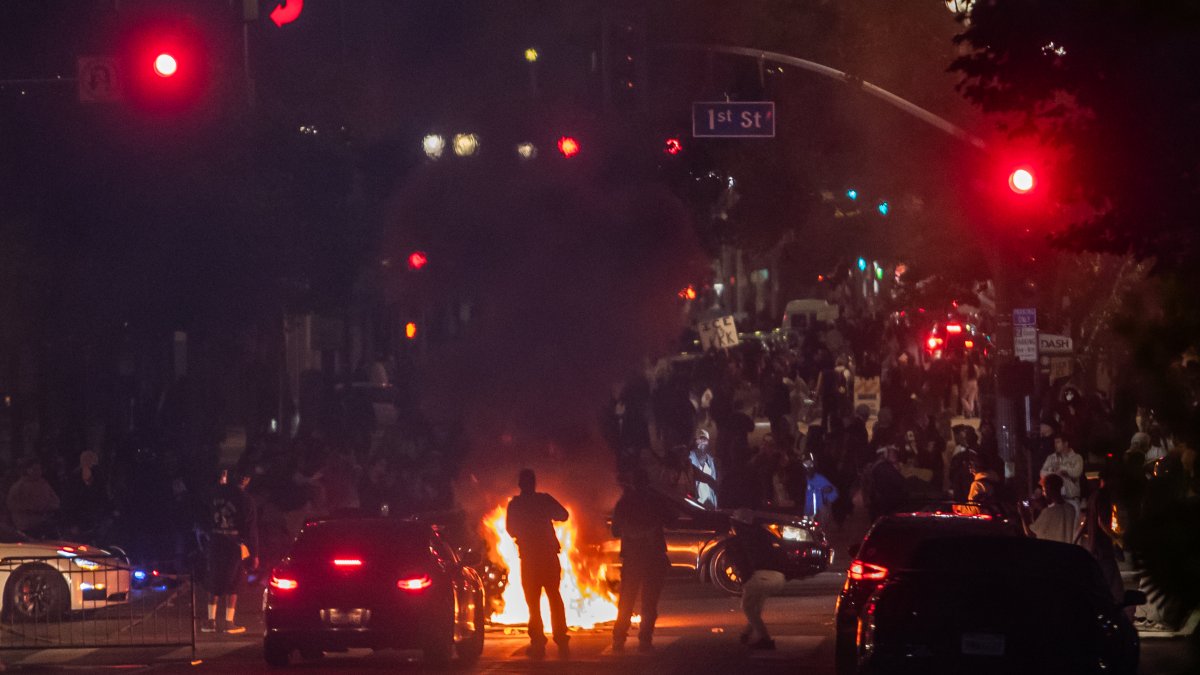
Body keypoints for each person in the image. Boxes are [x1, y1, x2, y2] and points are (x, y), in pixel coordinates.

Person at [505, 469, 570, 659]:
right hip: (547, 557)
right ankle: (561, 639)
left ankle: (538, 642)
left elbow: (511, 530)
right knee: (554, 597)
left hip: (530, 559)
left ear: (520, 485)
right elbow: (563, 515)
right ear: (533, 483)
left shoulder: (515, 505)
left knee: (533, 602)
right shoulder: (543, 500)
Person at [610, 470, 674, 654]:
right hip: (654, 557)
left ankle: (619, 639)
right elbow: (672, 520)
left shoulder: (624, 502)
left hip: (633, 558)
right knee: (649, 602)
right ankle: (645, 641)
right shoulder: (655, 500)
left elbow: (615, 530)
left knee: (627, 600)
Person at [201, 469, 258, 634]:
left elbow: (203, 512)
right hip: (234, 544)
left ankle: (210, 621)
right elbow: (251, 529)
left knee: (214, 579)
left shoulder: (216, 494)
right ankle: (228, 622)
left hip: (215, 541)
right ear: (246, 480)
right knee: (235, 582)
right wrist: (254, 553)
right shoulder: (245, 499)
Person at [725, 508, 786, 650]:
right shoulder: (763, 533)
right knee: (756, 606)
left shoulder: (739, 539)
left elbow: (743, 563)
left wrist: (744, 581)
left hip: (760, 576)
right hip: (779, 577)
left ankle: (766, 640)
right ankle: (747, 633)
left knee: (747, 607)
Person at [6, 460, 61, 538]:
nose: (38, 472)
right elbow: (12, 504)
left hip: (44, 520)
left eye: (39, 469)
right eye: (34, 469)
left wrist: (47, 507)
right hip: (27, 524)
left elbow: (55, 500)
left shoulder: (44, 484)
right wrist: (30, 509)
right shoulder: (19, 486)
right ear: (27, 470)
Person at [1021, 474, 1077, 544]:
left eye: (1044, 490)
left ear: (1049, 489)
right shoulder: (1071, 509)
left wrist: (1022, 514)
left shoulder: (1048, 512)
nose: (1044, 494)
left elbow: (1030, 534)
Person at [1040, 433, 1084, 507]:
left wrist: (1064, 469)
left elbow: (1076, 473)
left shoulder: (1076, 458)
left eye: (1058, 442)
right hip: (1055, 500)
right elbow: (1042, 473)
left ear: (1065, 443)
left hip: (1071, 499)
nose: (1055, 445)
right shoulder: (1051, 458)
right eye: (1055, 442)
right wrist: (1054, 474)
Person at [689, 429, 718, 508]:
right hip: (696, 504)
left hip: (710, 504)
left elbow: (714, 482)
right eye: (700, 439)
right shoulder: (689, 458)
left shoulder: (711, 461)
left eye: (705, 439)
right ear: (696, 441)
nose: (702, 442)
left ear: (708, 442)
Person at [802, 460, 838, 525]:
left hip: (821, 508)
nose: (808, 471)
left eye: (809, 469)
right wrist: (806, 512)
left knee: (823, 526)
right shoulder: (806, 480)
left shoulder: (819, 478)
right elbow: (808, 497)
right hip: (811, 510)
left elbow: (831, 490)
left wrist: (827, 500)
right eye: (806, 470)